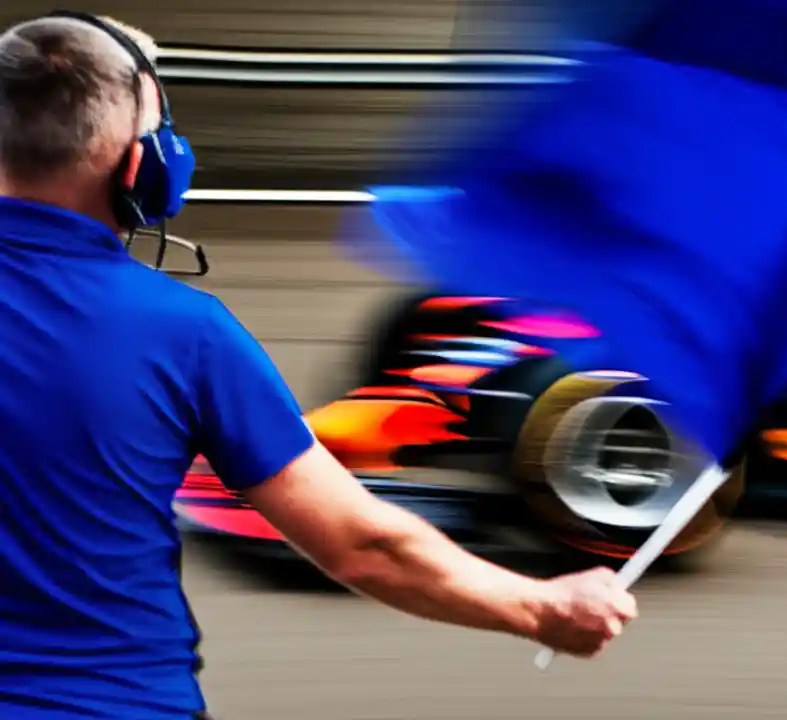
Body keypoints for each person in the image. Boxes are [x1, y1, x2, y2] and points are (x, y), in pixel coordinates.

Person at [0, 11, 637, 720]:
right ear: (137, 163)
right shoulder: (186, 333)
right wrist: (543, 607)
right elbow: (364, 547)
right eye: (159, 131)